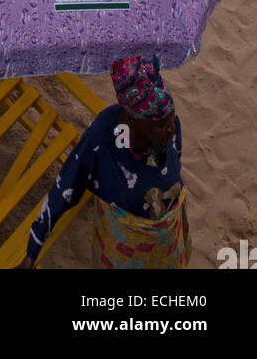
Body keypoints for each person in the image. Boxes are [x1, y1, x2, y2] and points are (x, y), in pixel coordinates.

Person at [20, 55, 189, 270]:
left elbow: (177, 157)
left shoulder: (168, 126)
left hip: (167, 237)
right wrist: (31, 254)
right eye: (161, 124)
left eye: (171, 118)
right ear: (132, 120)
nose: (171, 128)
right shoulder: (102, 138)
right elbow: (66, 186)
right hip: (122, 246)